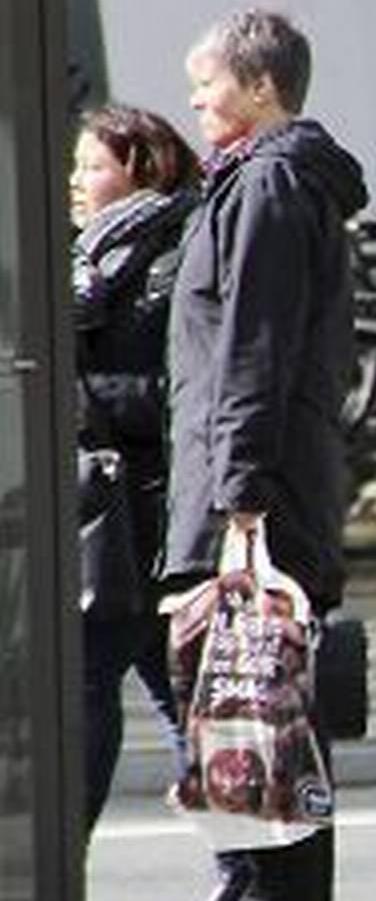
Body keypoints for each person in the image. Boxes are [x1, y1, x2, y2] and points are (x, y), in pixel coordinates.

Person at [156, 9, 369, 901]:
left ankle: (280, 893)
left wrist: (238, 487)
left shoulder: (272, 185)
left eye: (209, 81)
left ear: (260, 86)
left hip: (260, 480)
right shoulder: (258, 181)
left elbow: (254, 346)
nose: (197, 97)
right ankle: (256, 882)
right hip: (259, 470)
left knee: (268, 679)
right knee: (249, 679)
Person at [69, 105, 199, 832]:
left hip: (143, 508)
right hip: (102, 508)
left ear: (142, 169)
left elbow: (183, 393)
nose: (76, 181)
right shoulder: (86, 259)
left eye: (94, 165)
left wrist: (77, 398)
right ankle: (243, 869)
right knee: (174, 693)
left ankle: (62, 873)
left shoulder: (172, 258)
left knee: (88, 680)